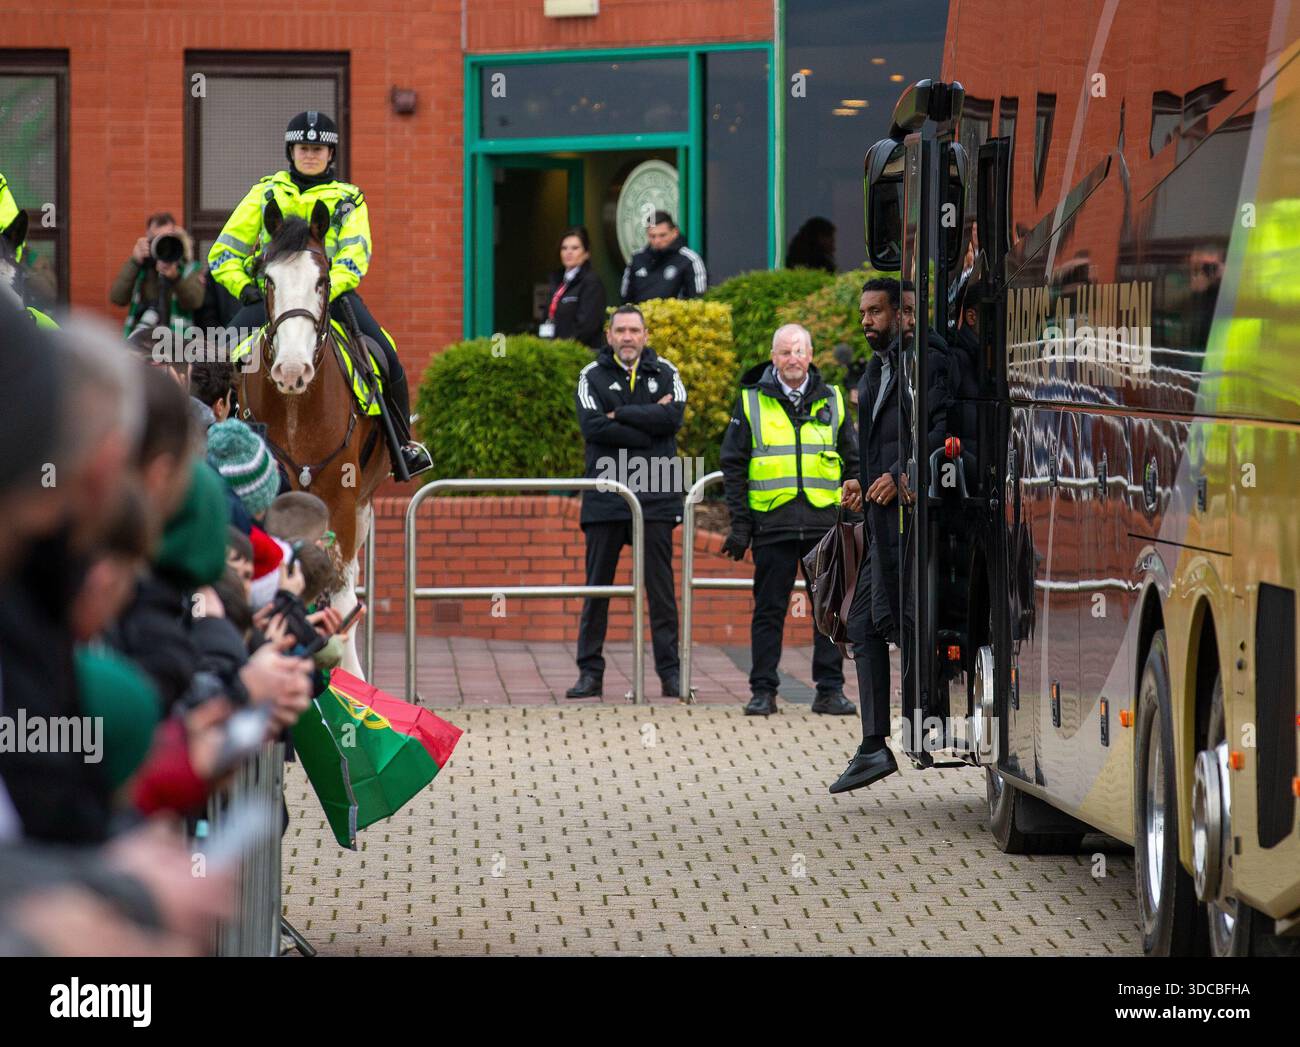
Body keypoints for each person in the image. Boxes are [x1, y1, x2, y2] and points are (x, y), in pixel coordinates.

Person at [207, 110, 431, 478]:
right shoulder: (265, 192)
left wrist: (323, 291)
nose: (310, 154)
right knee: (216, 355)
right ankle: (204, 441)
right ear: (290, 151)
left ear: (331, 155)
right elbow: (223, 253)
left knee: (385, 354)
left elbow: (355, 256)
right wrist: (245, 288)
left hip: (329, 297)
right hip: (273, 299)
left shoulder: (349, 199)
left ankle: (402, 446)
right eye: (302, 147)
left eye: (318, 148)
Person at [830, 277, 952, 793]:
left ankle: (926, 723)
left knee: (905, 625)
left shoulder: (927, 361)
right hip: (881, 526)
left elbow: (944, 428)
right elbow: (875, 444)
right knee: (862, 625)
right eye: (862, 313)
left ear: (904, 313)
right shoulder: (873, 371)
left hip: (914, 525)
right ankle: (874, 745)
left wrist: (903, 476)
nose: (866, 321)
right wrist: (862, 479)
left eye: (875, 312)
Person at [720, 323, 862, 716]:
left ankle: (830, 690)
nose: (793, 359)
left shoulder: (832, 398)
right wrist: (740, 526)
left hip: (824, 526)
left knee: (830, 611)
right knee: (768, 610)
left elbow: (852, 462)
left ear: (811, 356)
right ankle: (763, 690)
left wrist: (853, 518)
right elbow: (733, 465)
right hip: (773, 525)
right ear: (773, 358)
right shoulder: (751, 401)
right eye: (785, 352)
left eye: (799, 351)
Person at [567, 304, 687, 699]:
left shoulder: (667, 371)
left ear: (645, 335)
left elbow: (674, 421)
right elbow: (592, 426)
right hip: (606, 492)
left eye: (635, 330)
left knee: (661, 591)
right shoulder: (591, 375)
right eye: (621, 330)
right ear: (610, 335)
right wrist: (647, 425)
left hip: (657, 491)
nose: (628, 337)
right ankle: (590, 673)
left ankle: (671, 675)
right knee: (597, 588)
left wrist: (622, 415)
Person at [110, 212, 205, 345]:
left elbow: (195, 302)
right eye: (157, 239)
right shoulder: (141, 265)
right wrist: (135, 262)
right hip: (142, 340)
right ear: (148, 239)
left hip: (177, 342)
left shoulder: (187, 267)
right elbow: (117, 298)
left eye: (167, 239)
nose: (163, 245)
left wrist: (175, 277)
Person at [541, 225, 607, 349]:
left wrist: (565, 347)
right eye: (564, 248)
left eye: (575, 248)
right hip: (553, 350)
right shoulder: (557, 281)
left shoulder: (591, 282)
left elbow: (587, 326)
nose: (568, 252)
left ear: (586, 253)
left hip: (578, 353)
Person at [620, 211, 707, 304]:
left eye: (662, 235)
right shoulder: (637, 258)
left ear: (675, 232)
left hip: (675, 317)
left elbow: (698, 299)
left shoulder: (689, 259)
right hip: (640, 317)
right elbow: (625, 297)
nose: (657, 240)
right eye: (652, 236)